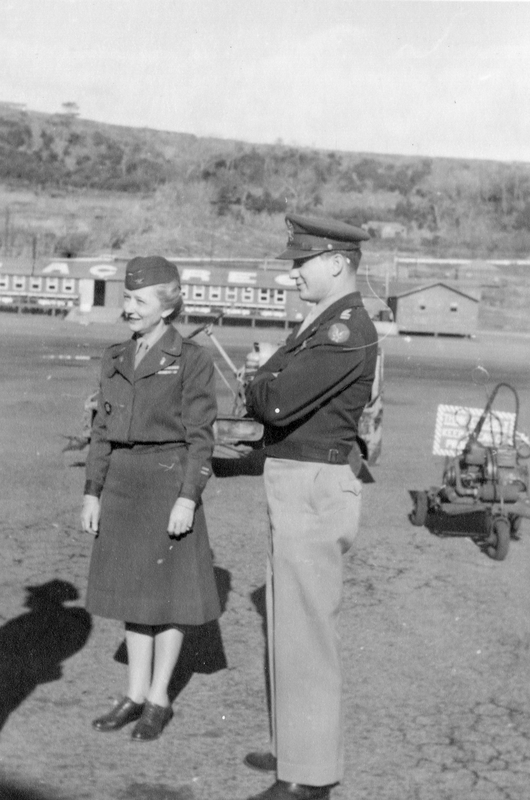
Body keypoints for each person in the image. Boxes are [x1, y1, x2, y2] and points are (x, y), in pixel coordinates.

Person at [243, 214, 378, 800]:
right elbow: (272, 386)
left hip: (314, 486)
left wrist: (261, 375)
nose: (293, 274)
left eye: (302, 263)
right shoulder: (321, 323)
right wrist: (268, 374)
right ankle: (295, 750)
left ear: (337, 263)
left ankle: (310, 776)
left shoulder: (344, 330)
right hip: (299, 480)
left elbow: (272, 400)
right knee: (289, 628)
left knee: (306, 636)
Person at [81, 255, 220, 741]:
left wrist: (188, 497)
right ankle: (134, 693)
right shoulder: (115, 357)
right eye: (127, 298)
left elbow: (201, 438)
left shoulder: (192, 359)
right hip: (122, 486)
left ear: (168, 306)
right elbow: (101, 430)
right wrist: (92, 492)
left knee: (169, 595)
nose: (129, 307)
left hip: (167, 483)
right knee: (131, 592)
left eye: (140, 300)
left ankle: (159, 698)